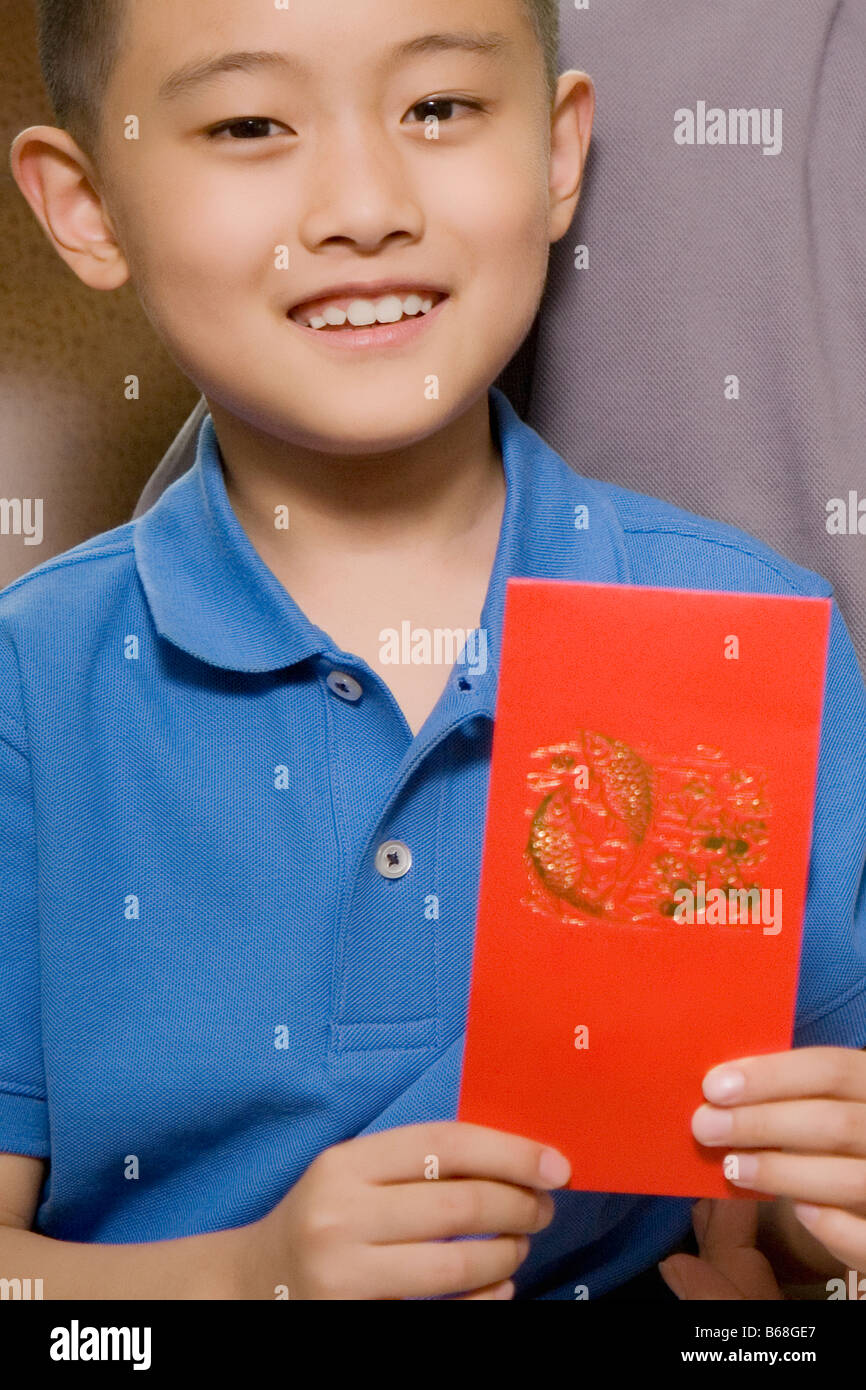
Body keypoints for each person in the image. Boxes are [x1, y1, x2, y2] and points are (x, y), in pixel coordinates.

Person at [1, 0, 864, 1301]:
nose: (365, 205)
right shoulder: (33, 688)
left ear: (557, 153)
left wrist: (808, 1239)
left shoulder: (742, 628)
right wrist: (247, 1279)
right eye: (250, 124)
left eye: (438, 108)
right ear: (88, 209)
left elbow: (776, 1192)